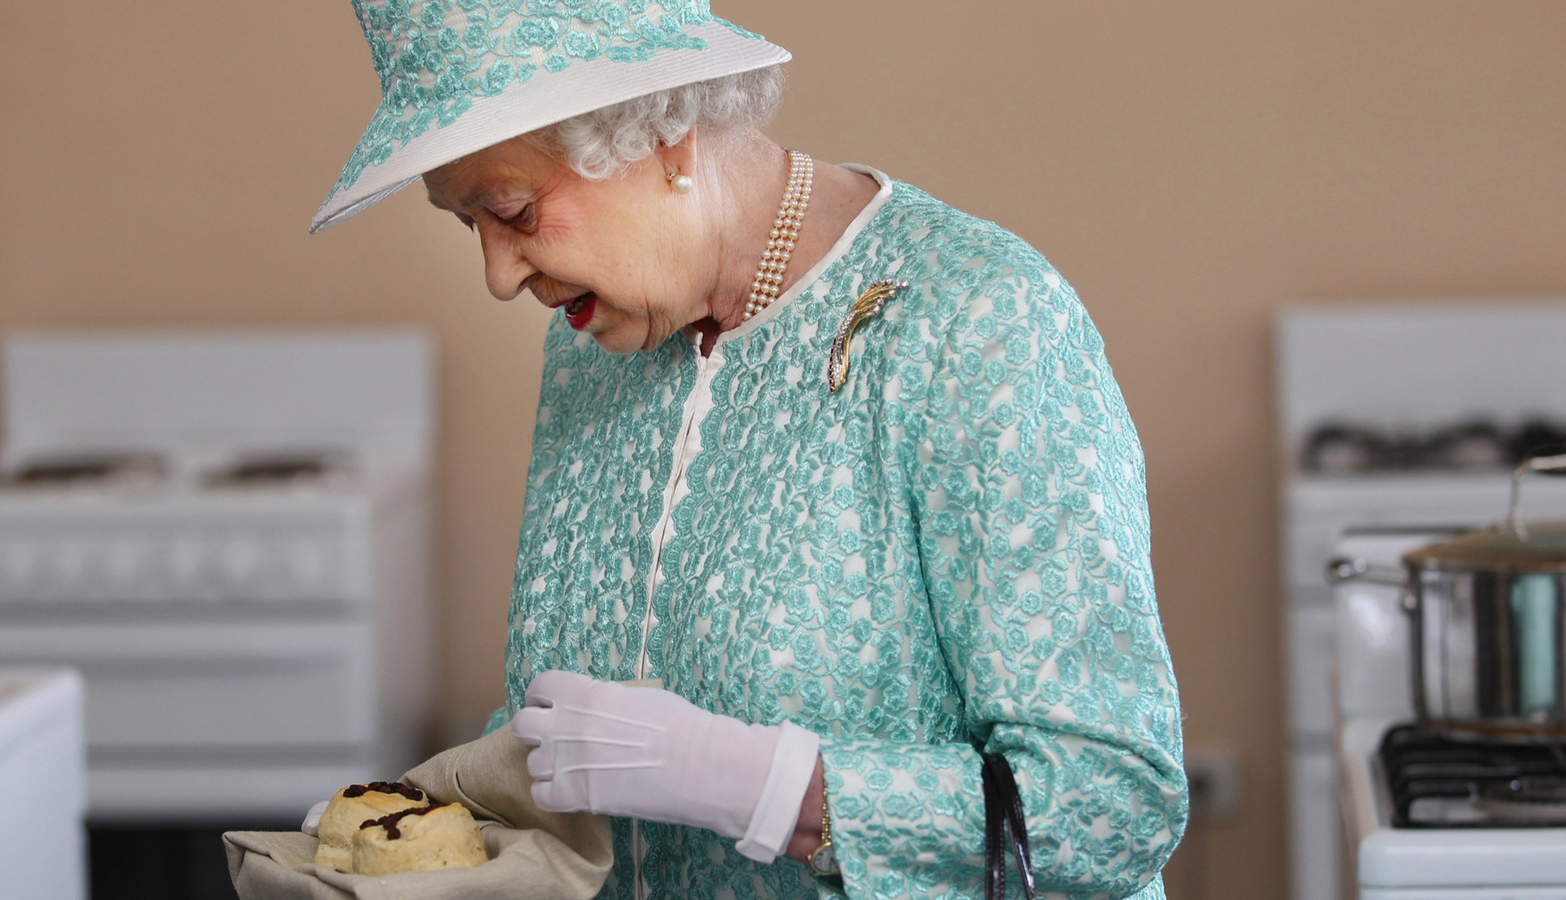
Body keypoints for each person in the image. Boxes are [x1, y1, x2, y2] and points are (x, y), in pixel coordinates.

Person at [313, 2, 1188, 897]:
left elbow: (1113, 807)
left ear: (667, 140)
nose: (500, 276)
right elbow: (583, 737)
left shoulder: (977, 321)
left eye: (515, 211)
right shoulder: (590, 348)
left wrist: (774, 789)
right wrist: (434, 816)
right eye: (472, 226)